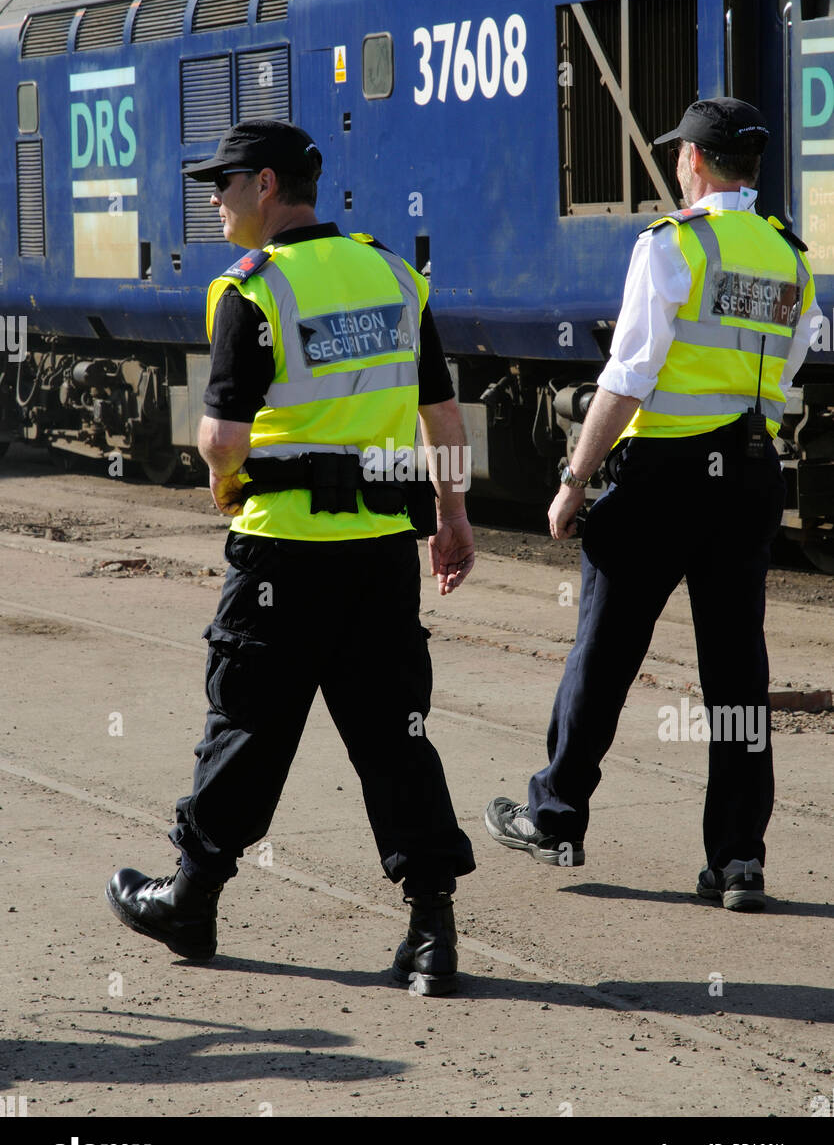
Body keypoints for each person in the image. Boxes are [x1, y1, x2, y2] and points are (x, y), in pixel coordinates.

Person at [107, 119, 476, 994]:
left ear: (266, 186)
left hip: (283, 558)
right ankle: (431, 934)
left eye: (225, 184)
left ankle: (191, 901)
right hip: (383, 552)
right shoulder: (392, 274)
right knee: (397, 737)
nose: (215, 198)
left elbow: (221, 436)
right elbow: (442, 413)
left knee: (247, 727)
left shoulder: (252, 290)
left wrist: (221, 481)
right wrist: (452, 514)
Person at [486, 97, 819, 912]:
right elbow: (799, 355)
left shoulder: (674, 246)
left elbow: (628, 377)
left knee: (603, 650)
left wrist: (572, 479)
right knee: (738, 668)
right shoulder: (788, 255)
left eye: (681, 153)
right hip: (749, 477)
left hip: (665, 476)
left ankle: (555, 818)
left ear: (696, 163)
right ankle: (739, 860)